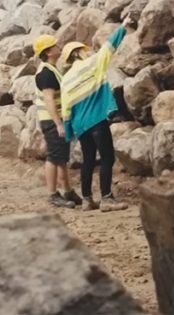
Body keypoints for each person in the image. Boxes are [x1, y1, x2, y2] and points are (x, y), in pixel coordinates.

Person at [59, 27, 129, 212]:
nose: (86, 51)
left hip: (80, 125)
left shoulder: (65, 80)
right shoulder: (92, 64)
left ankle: (87, 200)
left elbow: (65, 108)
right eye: (83, 49)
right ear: (77, 53)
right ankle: (106, 198)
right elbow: (109, 47)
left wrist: (68, 130)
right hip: (96, 119)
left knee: (88, 159)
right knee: (107, 157)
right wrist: (122, 27)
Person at [32, 34, 81, 209]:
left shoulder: (51, 70)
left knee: (61, 157)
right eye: (55, 45)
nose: (58, 47)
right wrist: (58, 123)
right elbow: (49, 100)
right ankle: (53, 194)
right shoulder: (46, 74)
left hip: (57, 120)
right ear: (49, 52)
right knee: (54, 157)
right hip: (52, 121)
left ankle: (66, 190)